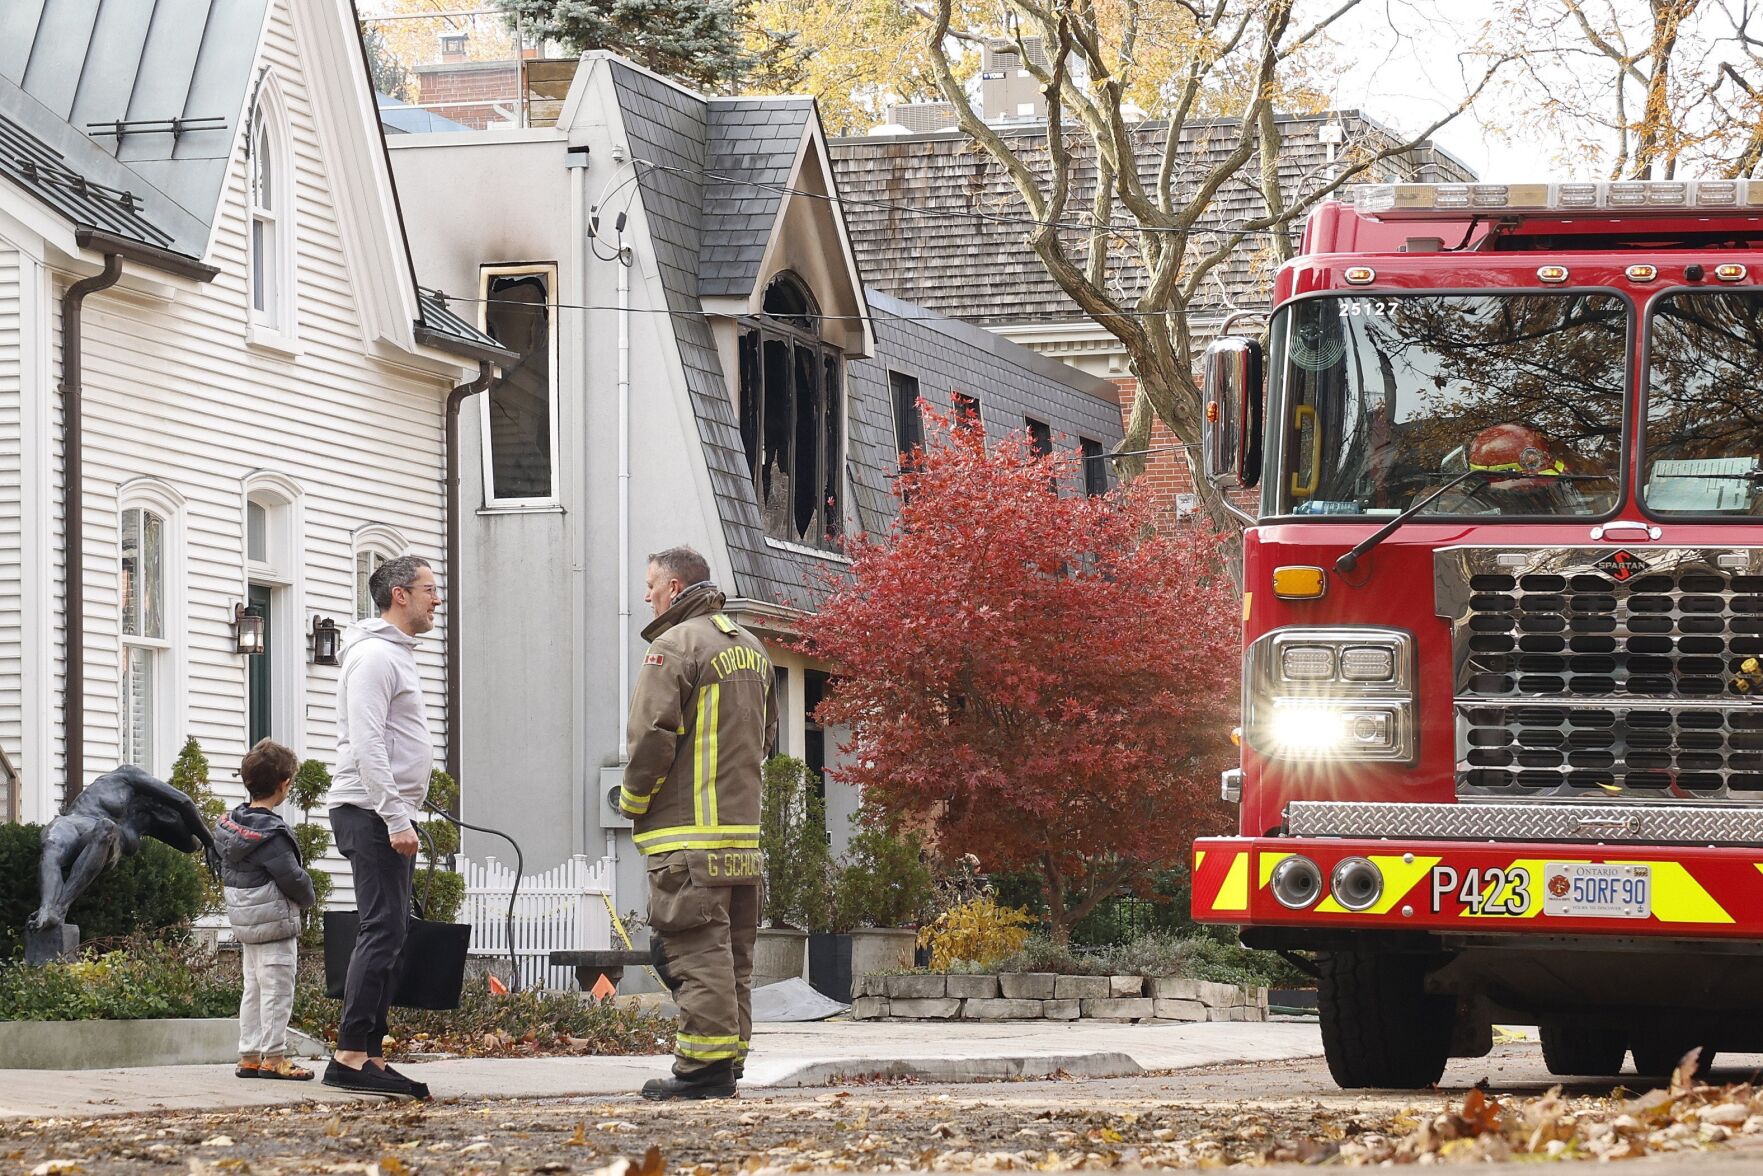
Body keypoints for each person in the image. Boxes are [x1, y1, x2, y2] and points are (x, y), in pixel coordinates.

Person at [621, 546, 777, 1101]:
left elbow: (652, 738)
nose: (647, 595)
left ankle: (702, 1069)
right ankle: (729, 1060)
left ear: (677, 586)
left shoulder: (674, 646)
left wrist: (633, 801)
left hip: (688, 837)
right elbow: (768, 742)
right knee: (733, 955)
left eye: (652, 583)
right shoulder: (753, 649)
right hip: (742, 839)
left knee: (694, 949)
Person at [322, 555, 441, 1099]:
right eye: (428, 590)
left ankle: (369, 1052)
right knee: (382, 928)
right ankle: (350, 1054)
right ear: (399, 594)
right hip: (370, 813)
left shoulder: (394, 655)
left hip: (387, 813)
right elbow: (367, 742)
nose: (435, 600)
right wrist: (395, 815)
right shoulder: (372, 657)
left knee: (391, 930)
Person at [217, 738, 316, 1081]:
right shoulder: (270, 833)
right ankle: (274, 1057)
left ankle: (248, 1055)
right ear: (284, 784)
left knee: (253, 989)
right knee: (277, 989)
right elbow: (292, 878)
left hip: (247, 922)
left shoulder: (232, 827)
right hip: (274, 922)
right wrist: (308, 897)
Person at [29, 766, 221, 937]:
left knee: (105, 828)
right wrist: (210, 841)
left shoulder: (144, 818)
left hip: (100, 832)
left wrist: (208, 841)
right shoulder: (126, 775)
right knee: (52, 842)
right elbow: (184, 802)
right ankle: (46, 907)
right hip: (71, 821)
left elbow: (188, 832)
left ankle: (59, 909)